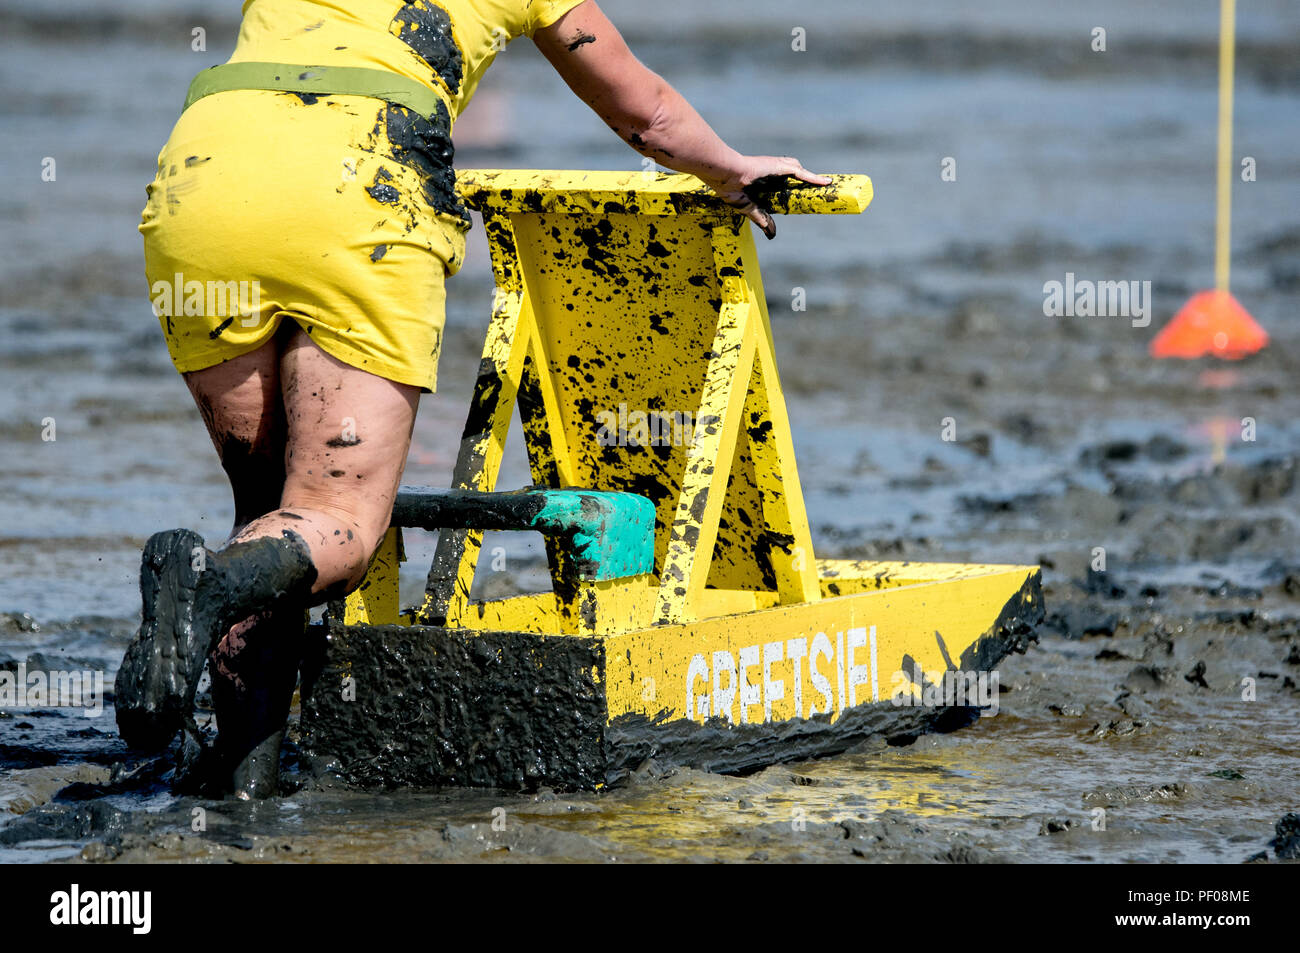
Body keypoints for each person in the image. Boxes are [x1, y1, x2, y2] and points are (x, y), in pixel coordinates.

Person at [118, 0, 830, 798]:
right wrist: (732, 171)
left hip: (203, 177)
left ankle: (241, 785)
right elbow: (648, 114)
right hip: (360, 182)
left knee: (269, 516)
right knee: (337, 521)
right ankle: (208, 584)